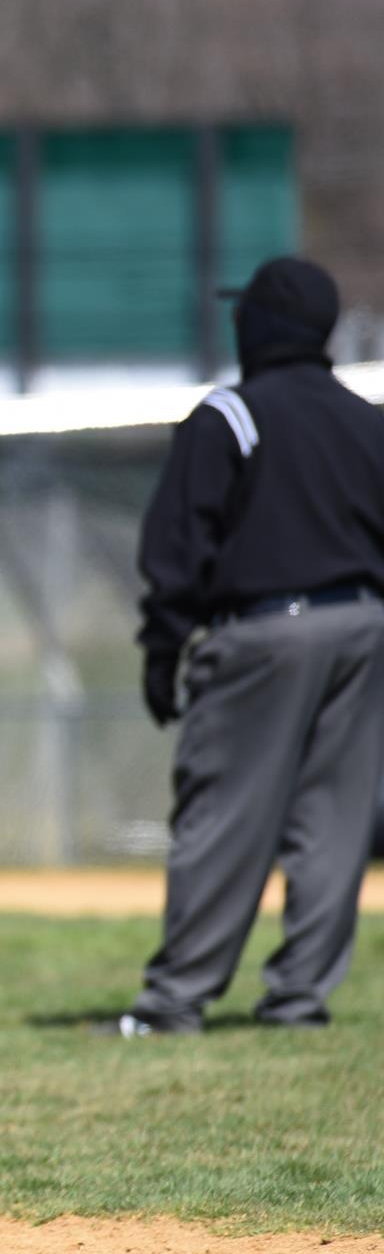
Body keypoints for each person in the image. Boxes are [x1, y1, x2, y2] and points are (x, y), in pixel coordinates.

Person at [118, 254, 384, 1038]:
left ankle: (173, 1003)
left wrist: (163, 648)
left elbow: (178, 545)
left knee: (225, 811)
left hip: (266, 633)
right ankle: (299, 1000)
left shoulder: (232, 415)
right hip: (366, 628)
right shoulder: (368, 420)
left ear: (260, 325)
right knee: (333, 823)